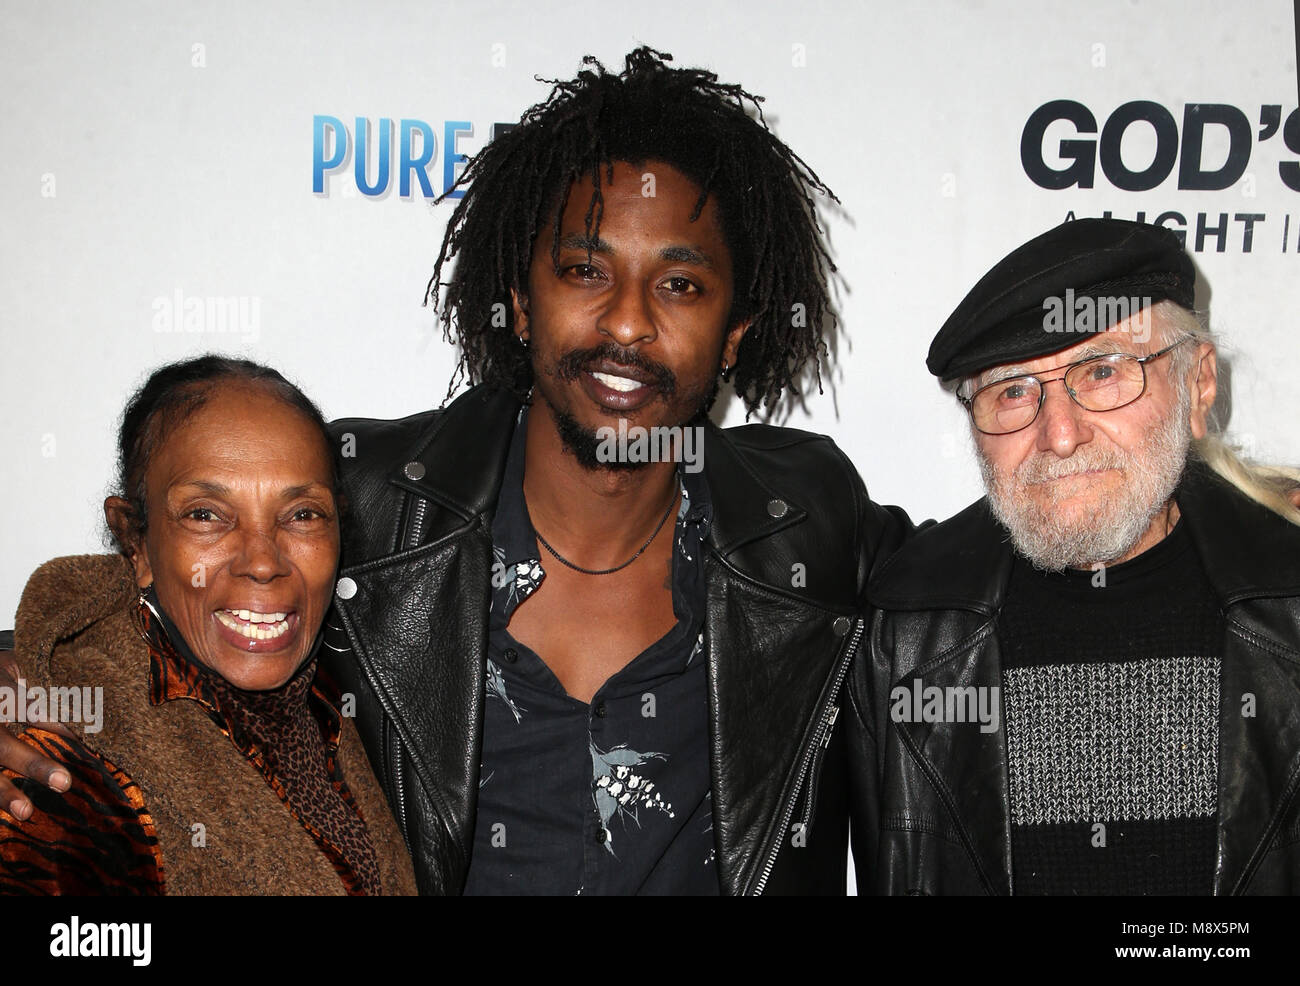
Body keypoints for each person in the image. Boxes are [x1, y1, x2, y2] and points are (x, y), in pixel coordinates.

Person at [849, 217, 1300, 895]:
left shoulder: (1290, 607)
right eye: (1013, 391)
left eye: (1104, 371)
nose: (1059, 436)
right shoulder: (905, 629)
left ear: (1199, 385)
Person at [0, 356, 416, 895]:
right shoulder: (59, 767)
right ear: (136, 541)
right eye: (206, 514)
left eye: (302, 515)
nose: (263, 561)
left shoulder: (339, 693)